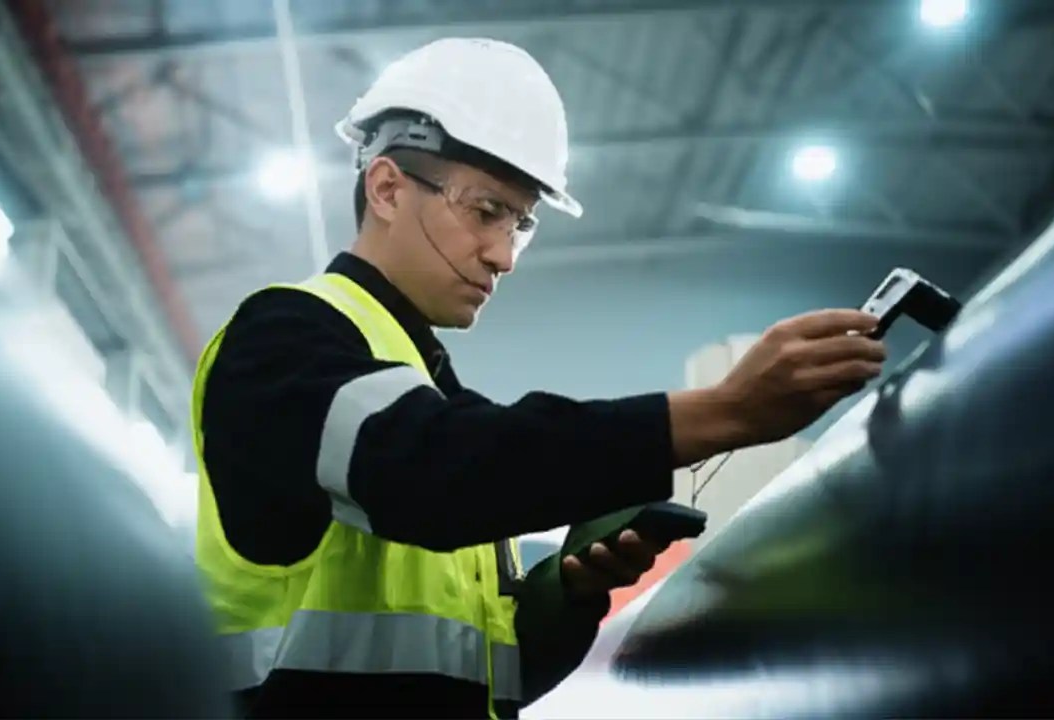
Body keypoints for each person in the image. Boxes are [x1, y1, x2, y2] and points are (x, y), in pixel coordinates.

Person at [191, 37, 886, 719]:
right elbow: (429, 470)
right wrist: (724, 412)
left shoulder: (431, 393)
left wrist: (570, 595)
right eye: (486, 211)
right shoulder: (277, 342)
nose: (505, 257)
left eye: (521, 225)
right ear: (387, 189)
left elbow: (488, 678)